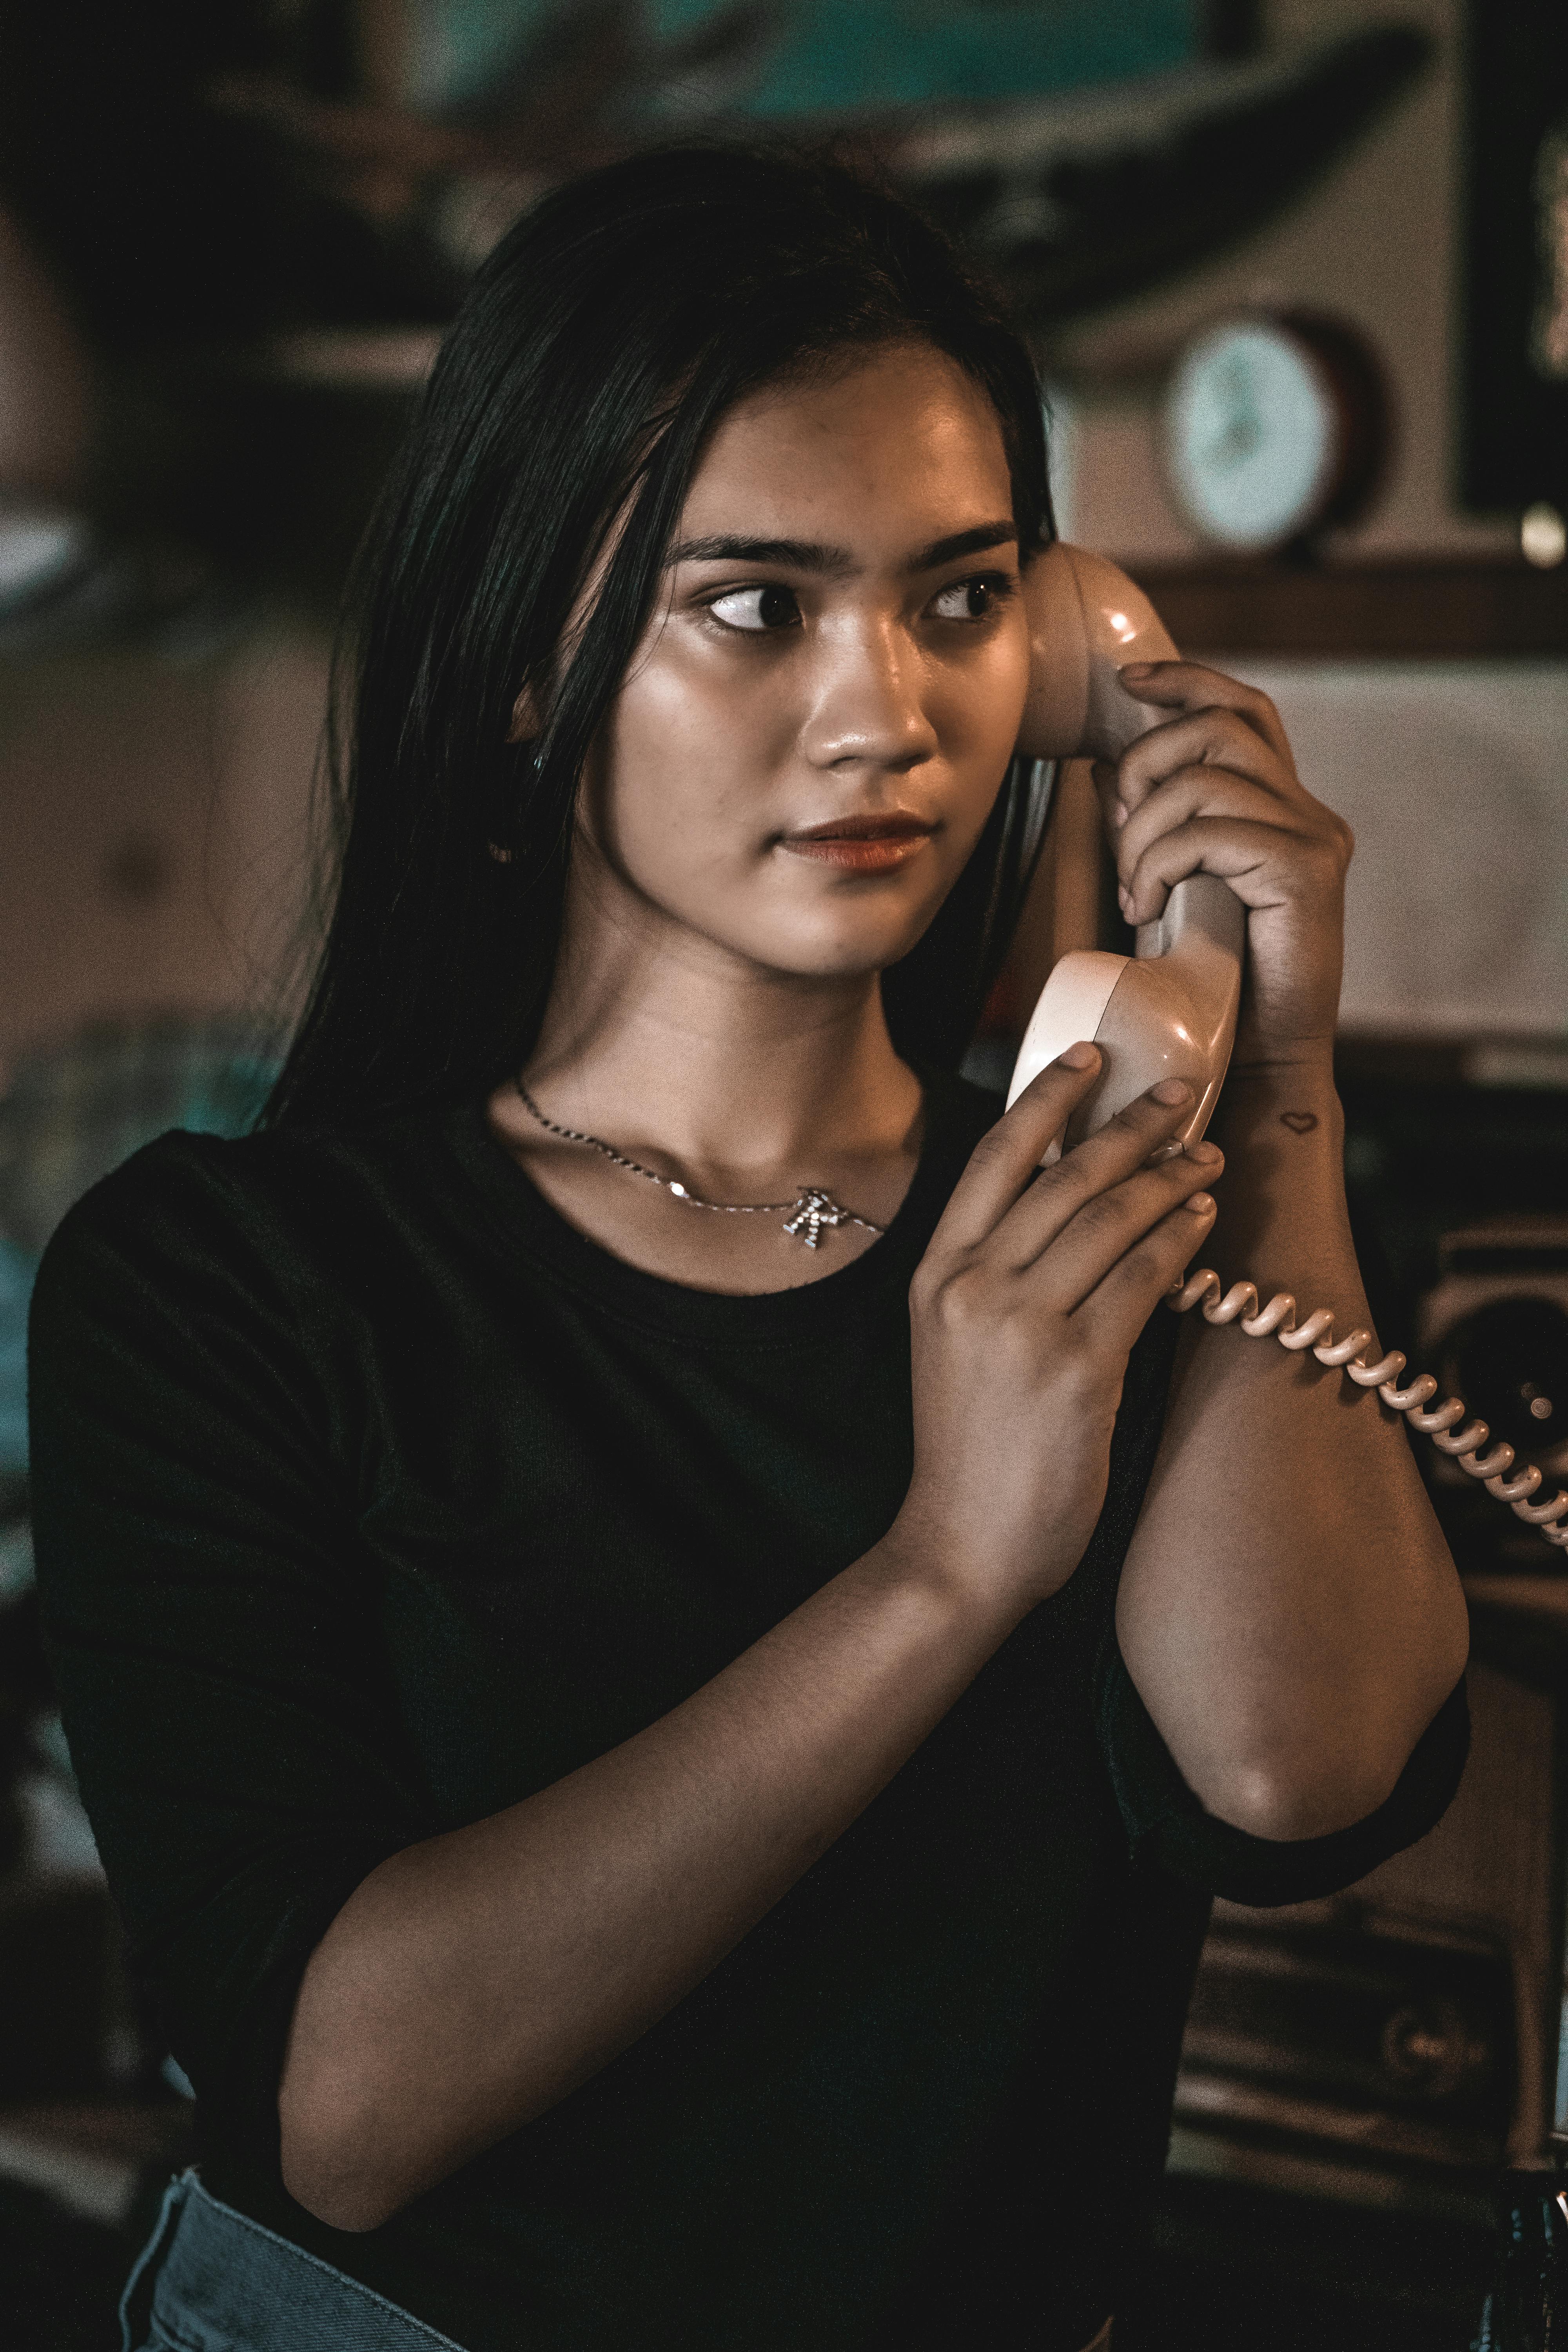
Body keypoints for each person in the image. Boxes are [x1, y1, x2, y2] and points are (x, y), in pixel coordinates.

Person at [27, 146, 1469, 2352]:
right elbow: (344, 2103)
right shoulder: (232, 1281)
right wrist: (948, 1567)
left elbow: (1302, 1777)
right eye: (757, 604)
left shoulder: (1132, 1214)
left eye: (965, 599)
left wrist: (1266, 1083)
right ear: (527, 668)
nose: (888, 712)